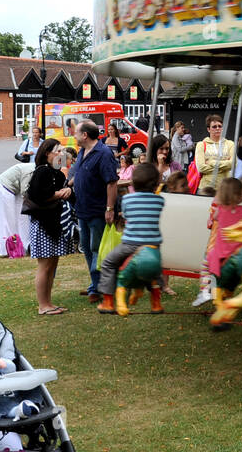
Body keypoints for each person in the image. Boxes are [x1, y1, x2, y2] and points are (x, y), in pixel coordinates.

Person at [97, 163, 165, 315]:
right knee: (155, 270)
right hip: (152, 245)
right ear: (155, 184)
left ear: (133, 182)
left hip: (130, 244)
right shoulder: (159, 201)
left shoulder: (127, 199)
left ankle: (107, 301)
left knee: (108, 263)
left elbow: (127, 216)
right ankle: (156, 303)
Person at [25, 138, 77, 315]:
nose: (61, 153)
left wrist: (68, 190)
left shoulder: (57, 173)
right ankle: (43, 305)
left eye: (63, 150)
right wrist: (60, 194)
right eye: (58, 150)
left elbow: (63, 189)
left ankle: (48, 303)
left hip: (53, 222)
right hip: (43, 223)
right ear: (47, 153)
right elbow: (39, 195)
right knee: (45, 265)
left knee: (52, 264)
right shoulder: (42, 171)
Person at [71, 120, 120, 299]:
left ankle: (100, 288)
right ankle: (96, 284)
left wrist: (110, 208)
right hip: (82, 208)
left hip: (98, 209)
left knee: (97, 248)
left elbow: (112, 182)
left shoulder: (104, 153)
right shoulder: (83, 151)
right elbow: (81, 174)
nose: (74, 135)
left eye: (76, 132)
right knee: (86, 247)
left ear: (85, 135)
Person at [0, 158, 36, 257]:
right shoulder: (30, 171)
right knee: (8, 219)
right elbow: (24, 191)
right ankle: (6, 250)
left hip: (15, 190)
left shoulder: (36, 170)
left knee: (23, 217)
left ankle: (24, 246)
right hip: (4, 187)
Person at [194, 113, 235, 195]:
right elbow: (201, 168)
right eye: (214, 126)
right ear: (208, 129)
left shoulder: (230, 144)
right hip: (205, 188)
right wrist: (224, 165)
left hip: (225, 188)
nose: (217, 128)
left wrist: (211, 162)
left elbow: (233, 163)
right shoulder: (201, 145)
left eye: (220, 126)